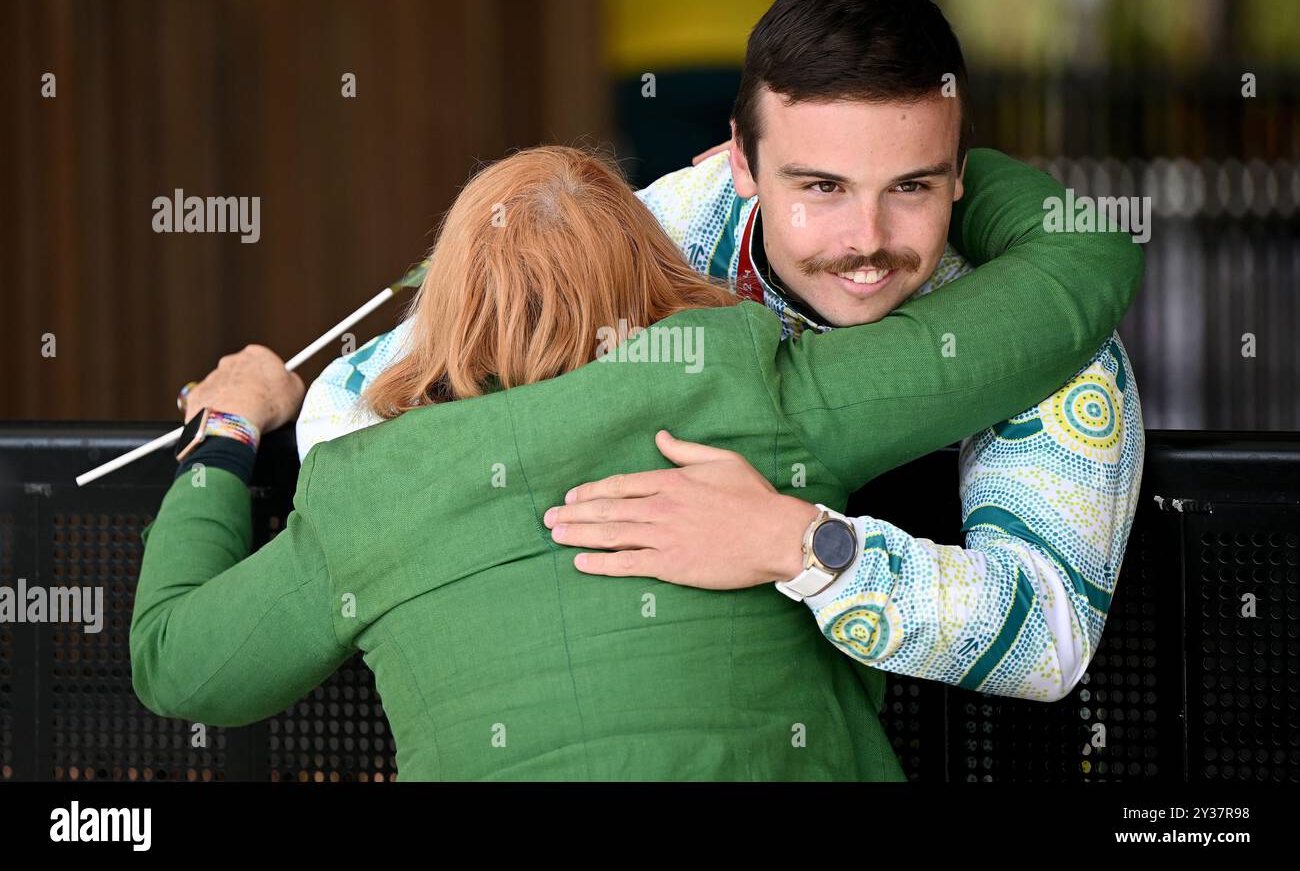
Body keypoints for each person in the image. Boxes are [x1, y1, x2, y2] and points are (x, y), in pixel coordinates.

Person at [132, 141, 1139, 781]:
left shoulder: (362, 490)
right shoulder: (756, 387)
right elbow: (1074, 275)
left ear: (440, 309)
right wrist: (941, 165)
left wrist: (225, 433)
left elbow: (177, 661)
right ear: (657, 269)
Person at [299, 0, 1146, 705]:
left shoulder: (1042, 328)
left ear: (961, 174)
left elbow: (1051, 640)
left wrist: (799, 544)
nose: (866, 239)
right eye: (820, 186)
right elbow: (346, 404)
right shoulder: (664, 229)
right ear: (738, 161)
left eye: (912, 187)